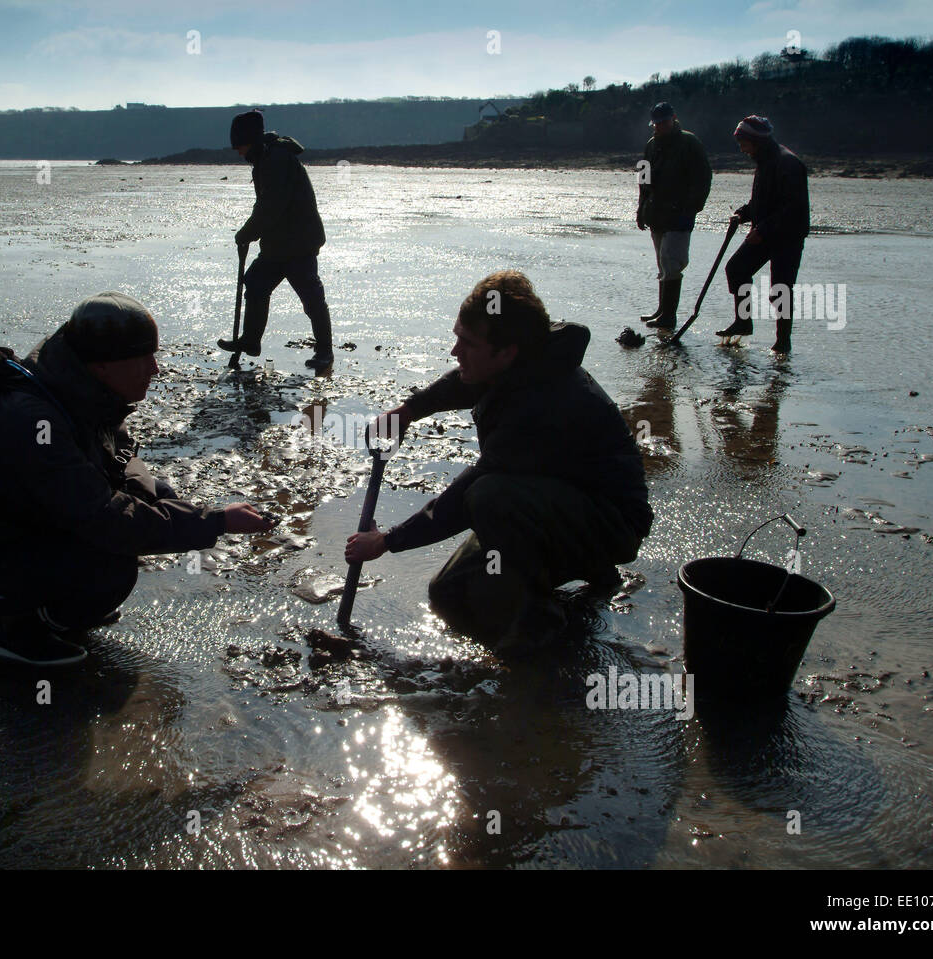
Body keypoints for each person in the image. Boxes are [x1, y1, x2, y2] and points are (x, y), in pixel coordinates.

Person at [0, 292, 276, 666]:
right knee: (111, 566)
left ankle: (54, 609)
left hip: (11, 529)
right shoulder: (36, 422)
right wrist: (214, 522)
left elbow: (120, 457)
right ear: (103, 364)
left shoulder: (79, 388)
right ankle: (18, 628)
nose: (156, 370)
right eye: (144, 359)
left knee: (136, 519)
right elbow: (105, 519)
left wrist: (162, 500)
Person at [344, 271, 654, 653]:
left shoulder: (542, 405)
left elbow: (465, 496)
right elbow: (467, 378)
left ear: (506, 352)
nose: (455, 351)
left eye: (467, 343)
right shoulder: (525, 354)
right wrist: (408, 411)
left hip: (612, 524)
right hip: (559, 503)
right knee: (448, 593)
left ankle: (539, 616)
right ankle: (567, 568)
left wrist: (387, 541)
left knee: (489, 496)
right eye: (457, 336)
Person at [217, 109, 334, 371]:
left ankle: (325, 352)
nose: (238, 152)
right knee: (256, 282)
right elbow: (267, 207)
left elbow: (271, 206)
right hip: (278, 244)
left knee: (311, 297)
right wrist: (251, 233)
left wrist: (246, 233)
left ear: (251, 140)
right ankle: (250, 341)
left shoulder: (277, 158)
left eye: (240, 146)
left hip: (299, 243)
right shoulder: (265, 157)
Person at [715, 115, 810, 354]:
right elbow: (763, 202)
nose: (741, 148)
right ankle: (744, 322)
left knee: (781, 289)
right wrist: (743, 214)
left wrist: (763, 229)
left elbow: (794, 208)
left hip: (788, 236)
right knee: (736, 269)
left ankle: (782, 341)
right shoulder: (765, 161)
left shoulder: (788, 163)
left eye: (743, 143)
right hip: (765, 232)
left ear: (755, 141)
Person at [637, 102, 712, 331]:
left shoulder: (689, 143)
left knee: (672, 261)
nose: (660, 126)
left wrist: (691, 208)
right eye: (657, 123)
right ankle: (662, 310)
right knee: (662, 262)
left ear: (673, 119)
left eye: (664, 122)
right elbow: (644, 179)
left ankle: (669, 317)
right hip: (656, 213)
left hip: (679, 214)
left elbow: (703, 178)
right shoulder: (651, 145)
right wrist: (641, 209)